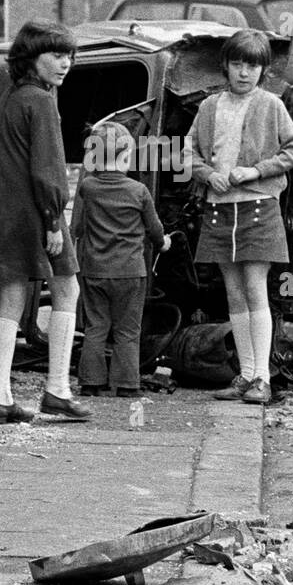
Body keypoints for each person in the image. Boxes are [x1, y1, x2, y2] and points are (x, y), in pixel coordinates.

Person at [186, 29, 293, 405]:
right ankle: (245, 374)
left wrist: (254, 171)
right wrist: (208, 174)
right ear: (225, 66)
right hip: (220, 208)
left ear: (263, 69)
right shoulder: (208, 108)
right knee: (233, 293)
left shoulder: (271, 105)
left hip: (257, 207)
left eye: (252, 65)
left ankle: (262, 379)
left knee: (256, 290)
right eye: (237, 64)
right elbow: (186, 154)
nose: (243, 72)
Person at [0, 20, 88, 424]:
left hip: (6, 214)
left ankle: (0, 398)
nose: (65, 64)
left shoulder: (10, 96)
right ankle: (57, 389)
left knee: (11, 300)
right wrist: (53, 222)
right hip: (38, 215)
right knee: (68, 288)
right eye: (56, 56)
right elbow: (48, 171)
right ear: (32, 58)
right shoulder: (41, 102)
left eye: (69, 56)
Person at [71, 122, 170, 397]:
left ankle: (90, 383)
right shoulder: (139, 191)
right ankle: (126, 385)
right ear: (127, 157)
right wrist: (164, 244)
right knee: (127, 330)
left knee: (96, 327)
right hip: (130, 272)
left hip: (95, 270)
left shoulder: (88, 188)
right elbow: (155, 230)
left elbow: (77, 228)